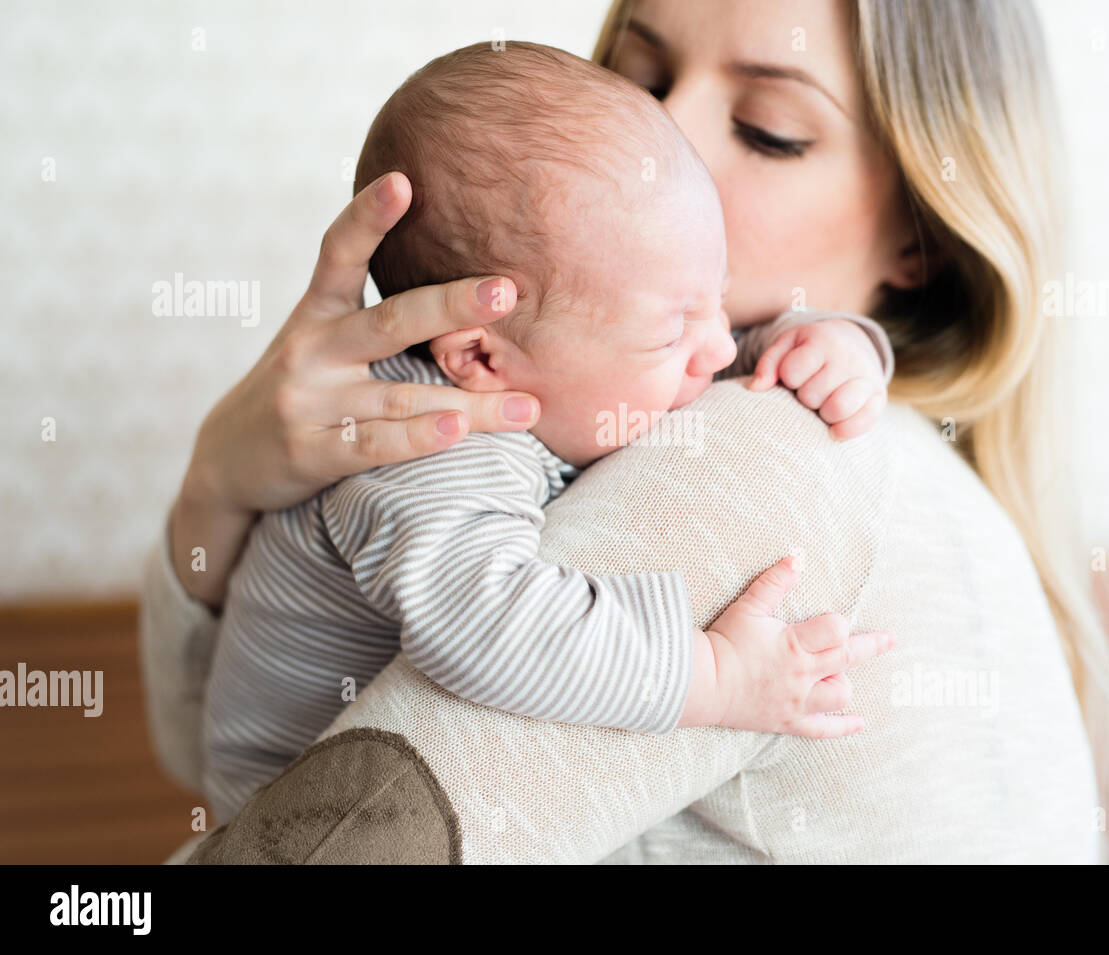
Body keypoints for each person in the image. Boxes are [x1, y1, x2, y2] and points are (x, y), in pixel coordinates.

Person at [142, 0, 1109, 863]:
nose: (662, 137)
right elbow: (237, 759)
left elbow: (306, 830)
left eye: (767, 129)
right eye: (641, 75)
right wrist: (220, 483)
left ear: (920, 235)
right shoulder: (489, 434)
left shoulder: (763, 455)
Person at [200, 41, 894, 823]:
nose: (723, 348)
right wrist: (716, 673)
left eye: (720, 300)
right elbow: (488, 627)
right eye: (673, 331)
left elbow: (708, 350)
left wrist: (828, 344)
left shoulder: (580, 350)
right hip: (300, 812)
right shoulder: (430, 445)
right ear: (481, 357)